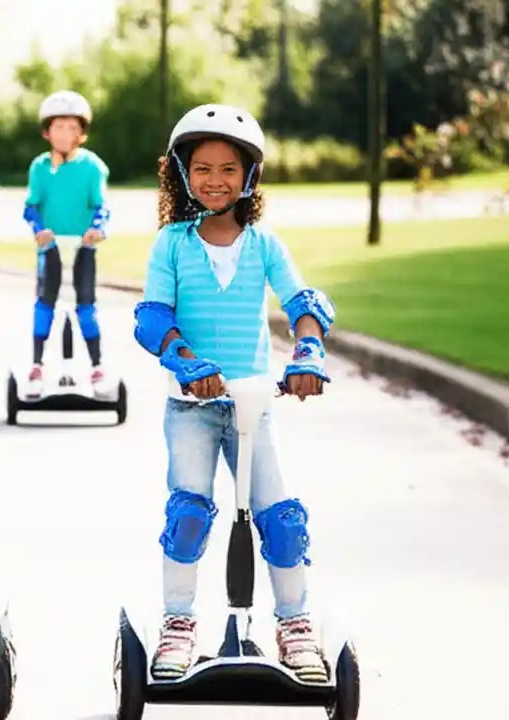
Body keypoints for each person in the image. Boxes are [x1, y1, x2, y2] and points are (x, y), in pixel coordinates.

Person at [132, 103, 335, 683]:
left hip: (255, 405)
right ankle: (178, 625)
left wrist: (308, 352)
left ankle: (294, 625)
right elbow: (152, 316)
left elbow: (304, 304)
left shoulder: (264, 244)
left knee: (282, 517)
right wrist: (182, 357)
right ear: (181, 173)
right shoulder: (171, 243)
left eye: (227, 169)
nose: (214, 180)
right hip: (191, 406)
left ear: (249, 177)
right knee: (190, 513)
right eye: (201, 169)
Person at [22, 90, 114, 399]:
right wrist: (39, 230)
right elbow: (30, 207)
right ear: (47, 131)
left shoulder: (93, 168)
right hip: (50, 249)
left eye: (71, 128)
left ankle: (97, 366)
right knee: (45, 305)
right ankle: (36, 365)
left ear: (81, 132)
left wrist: (97, 229)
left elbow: (102, 207)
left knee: (85, 306)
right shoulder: (39, 168)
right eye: (58, 127)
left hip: (82, 248)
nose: (64, 134)